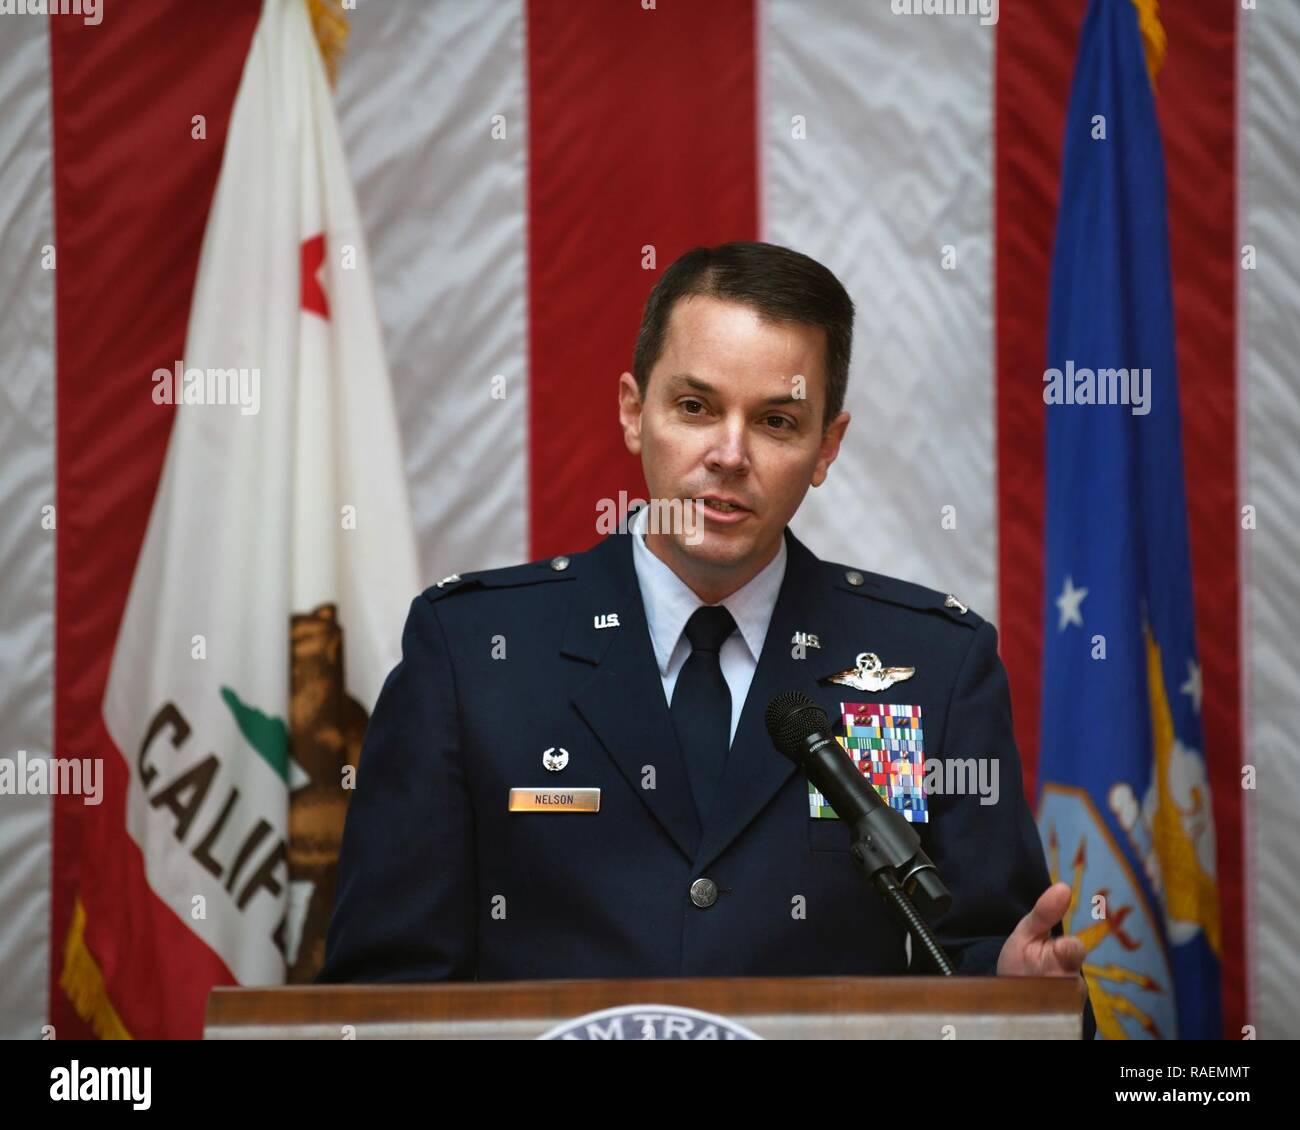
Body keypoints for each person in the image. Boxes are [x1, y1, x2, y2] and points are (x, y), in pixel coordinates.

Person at [318, 241, 1095, 1038]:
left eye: (777, 421)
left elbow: (970, 956)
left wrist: (1015, 991)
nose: (729, 455)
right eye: (695, 407)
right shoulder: (472, 654)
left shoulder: (935, 666)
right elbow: (383, 993)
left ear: (828, 445)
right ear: (632, 410)